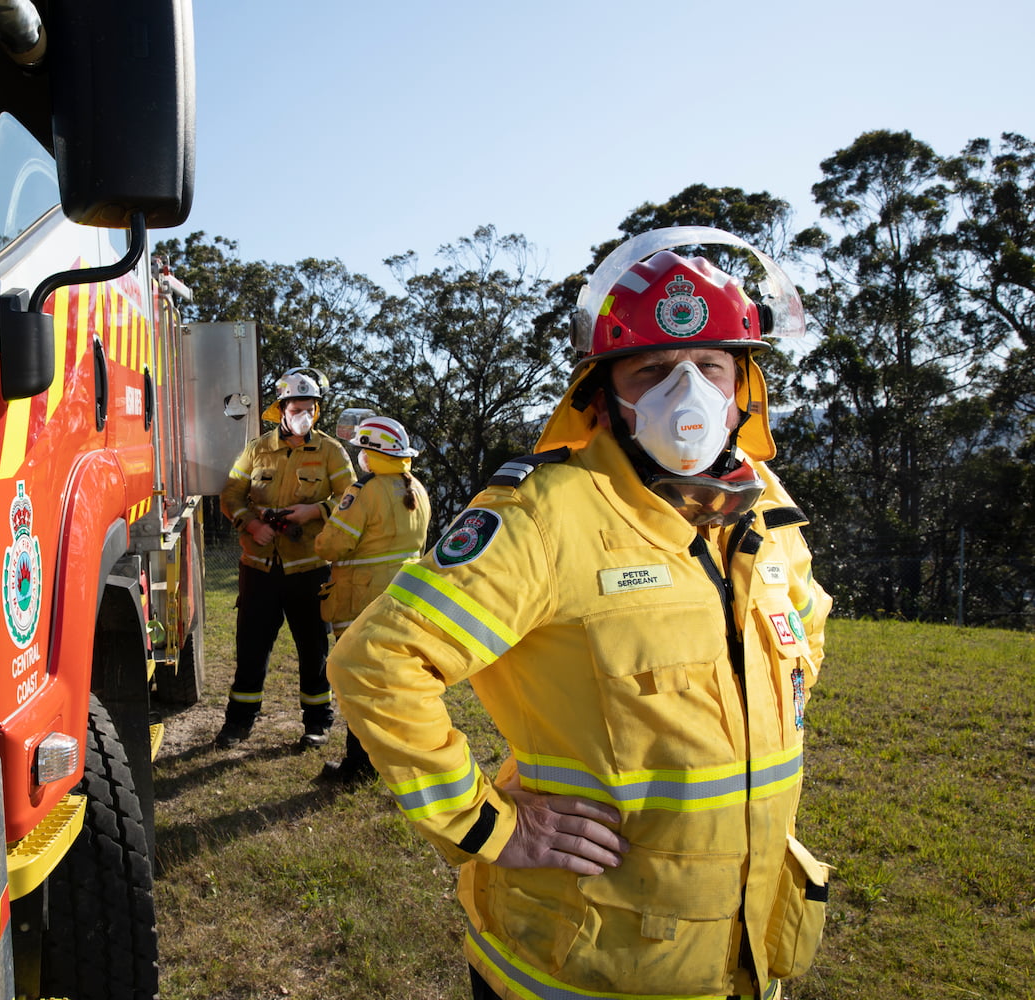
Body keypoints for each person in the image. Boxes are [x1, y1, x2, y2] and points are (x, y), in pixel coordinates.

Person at [326, 228, 834, 1000]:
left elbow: (801, 639)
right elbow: (374, 664)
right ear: (603, 395)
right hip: (578, 966)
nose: (687, 394)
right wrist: (487, 824)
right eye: (655, 371)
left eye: (710, 367)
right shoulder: (542, 516)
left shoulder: (764, 508)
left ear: (745, 388)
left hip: (737, 949)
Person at [215, 366, 354, 750]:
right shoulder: (257, 449)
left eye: (310, 408)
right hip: (259, 568)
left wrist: (315, 512)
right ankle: (238, 723)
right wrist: (250, 524)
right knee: (251, 649)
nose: (303, 414)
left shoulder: (331, 451)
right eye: (296, 406)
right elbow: (231, 494)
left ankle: (317, 724)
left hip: (309, 569)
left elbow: (351, 498)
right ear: (282, 408)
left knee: (314, 650)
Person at [312, 414, 431, 785]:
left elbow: (330, 545)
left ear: (372, 454)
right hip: (404, 599)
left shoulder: (364, 491)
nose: (359, 457)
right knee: (391, 683)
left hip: (361, 599)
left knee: (359, 684)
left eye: (362, 450)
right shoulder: (418, 489)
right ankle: (393, 761)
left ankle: (359, 766)